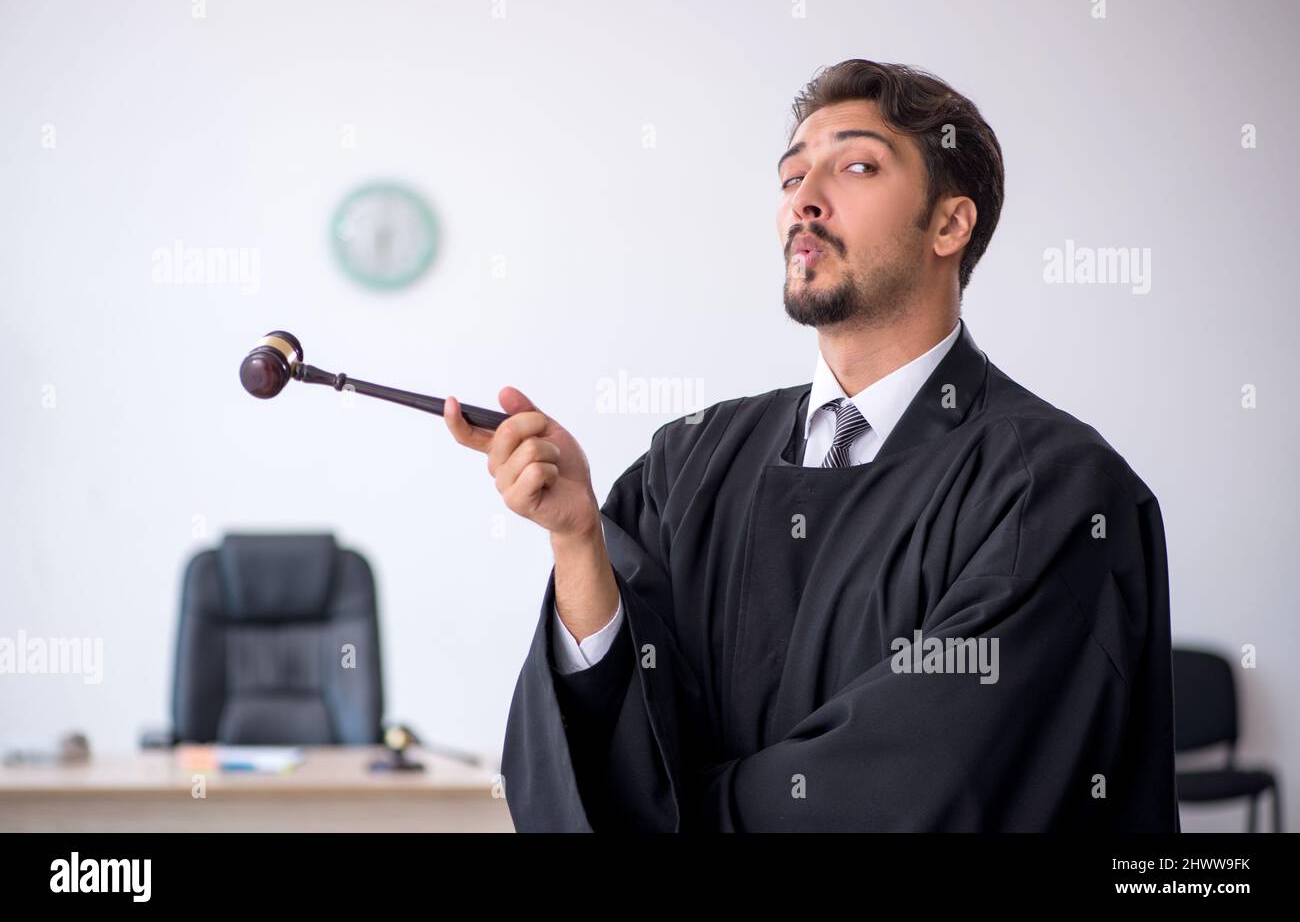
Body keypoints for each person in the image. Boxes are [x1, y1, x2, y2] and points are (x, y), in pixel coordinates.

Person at [444, 59, 1179, 832]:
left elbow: (937, 779)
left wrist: (678, 813)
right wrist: (578, 539)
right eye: (792, 177)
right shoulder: (688, 461)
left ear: (949, 224)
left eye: (856, 166)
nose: (805, 200)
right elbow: (605, 735)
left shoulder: (1055, 488)